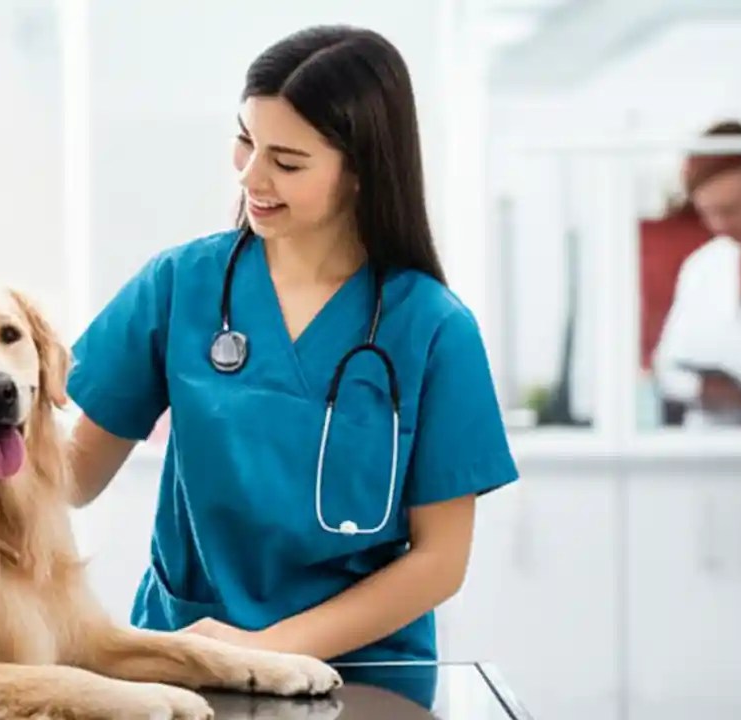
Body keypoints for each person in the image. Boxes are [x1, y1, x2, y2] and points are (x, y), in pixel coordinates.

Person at [64, 25, 518, 708]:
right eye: (245, 140)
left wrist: (262, 649)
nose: (251, 175)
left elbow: (438, 562)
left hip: (360, 677)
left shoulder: (433, 330)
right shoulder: (181, 286)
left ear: (361, 170)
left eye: (288, 160)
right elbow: (69, 479)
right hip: (185, 665)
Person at [653, 120, 741, 426]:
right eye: (708, 213)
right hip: (710, 452)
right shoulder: (704, 266)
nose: (719, 225)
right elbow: (667, 368)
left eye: (731, 210)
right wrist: (704, 389)